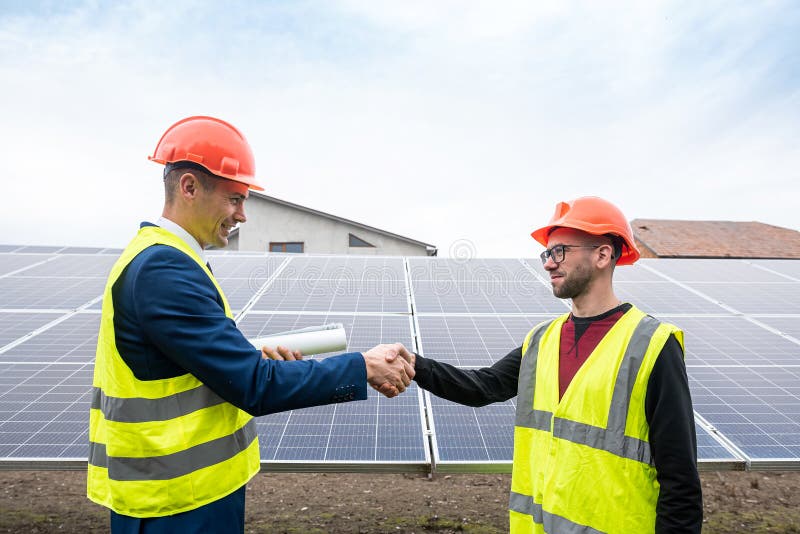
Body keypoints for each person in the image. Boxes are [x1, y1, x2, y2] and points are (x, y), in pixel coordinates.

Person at [87, 115, 416, 533]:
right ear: (189, 187)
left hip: (181, 492)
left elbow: (178, 364)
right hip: (175, 503)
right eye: (234, 199)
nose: (242, 215)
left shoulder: (162, 257)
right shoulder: (164, 268)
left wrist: (249, 355)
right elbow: (254, 386)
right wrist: (363, 367)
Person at [390, 197, 703, 533]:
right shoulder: (542, 339)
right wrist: (416, 364)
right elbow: (483, 386)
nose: (549, 264)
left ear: (602, 254)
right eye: (547, 253)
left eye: (560, 251)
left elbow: (680, 482)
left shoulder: (653, 344)